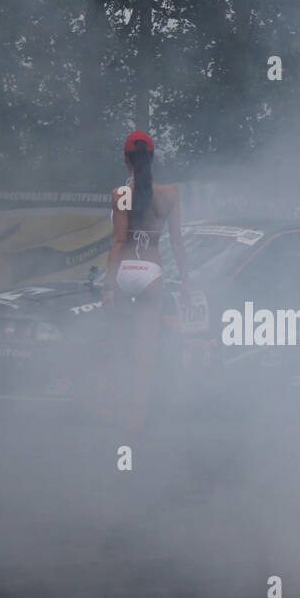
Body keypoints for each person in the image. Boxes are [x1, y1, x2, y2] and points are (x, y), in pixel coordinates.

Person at [104, 131, 193, 433]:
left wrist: (108, 286)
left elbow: (118, 242)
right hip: (152, 273)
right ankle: (137, 424)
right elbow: (178, 243)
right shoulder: (169, 194)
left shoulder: (120, 195)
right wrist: (188, 283)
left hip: (125, 269)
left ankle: (118, 416)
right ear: (153, 158)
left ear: (125, 160)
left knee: (118, 351)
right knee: (145, 355)